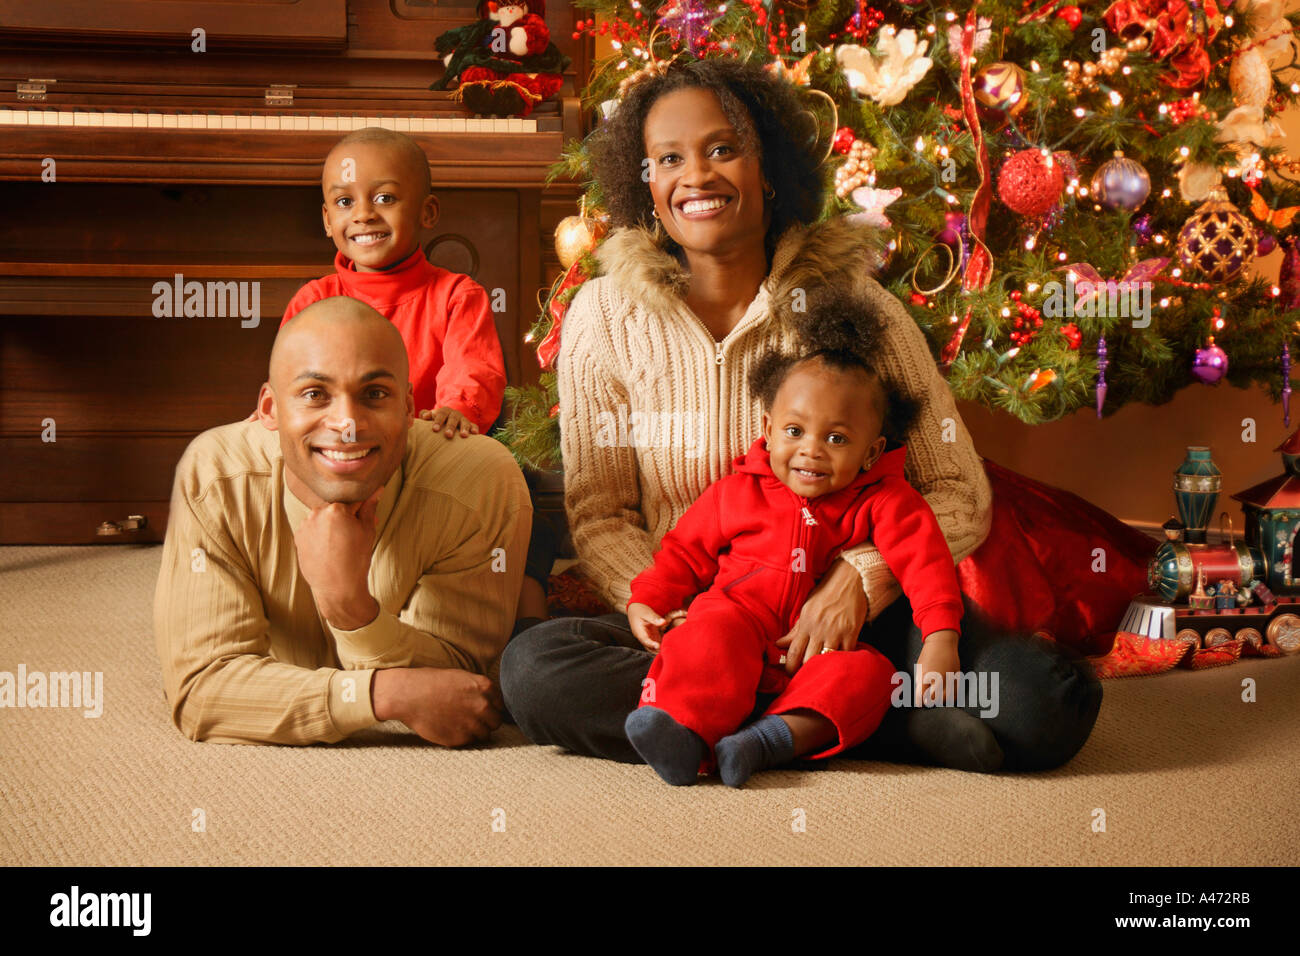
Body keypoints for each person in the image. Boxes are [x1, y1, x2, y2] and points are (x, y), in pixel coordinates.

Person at [502, 57, 1106, 773]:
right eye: (668, 159)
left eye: (722, 149)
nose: (695, 176)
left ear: (768, 169)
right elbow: (601, 515)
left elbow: (959, 490)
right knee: (533, 671)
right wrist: (685, 618)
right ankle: (846, 719)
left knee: (1047, 702)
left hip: (853, 627)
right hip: (699, 625)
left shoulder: (855, 306)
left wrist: (859, 576)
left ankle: (761, 713)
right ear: (646, 185)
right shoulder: (604, 316)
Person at [155, 296, 531, 746]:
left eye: (375, 394)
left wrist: (351, 608)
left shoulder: (478, 480)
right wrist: (380, 694)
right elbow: (201, 690)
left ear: (409, 407)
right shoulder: (215, 477)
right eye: (315, 394)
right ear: (270, 410)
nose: (347, 424)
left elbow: (459, 691)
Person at [624, 294, 968, 788]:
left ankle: (764, 742)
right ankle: (683, 733)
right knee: (702, 634)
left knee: (869, 676)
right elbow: (683, 551)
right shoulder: (736, 491)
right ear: (768, 429)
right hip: (739, 622)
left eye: (836, 439)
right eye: (794, 430)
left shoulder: (887, 500)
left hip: (819, 657)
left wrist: (940, 639)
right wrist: (647, 600)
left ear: (872, 453)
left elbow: (927, 565)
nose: (811, 450)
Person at [279, 127, 507, 438]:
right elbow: (291, 383)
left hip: (425, 444)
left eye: (385, 198)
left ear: (427, 212)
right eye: (344, 201)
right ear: (327, 220)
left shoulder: (457, 295)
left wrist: (457, 410)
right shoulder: (313, 300)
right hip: (332, 447)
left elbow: (474, 371)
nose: (363, 214)